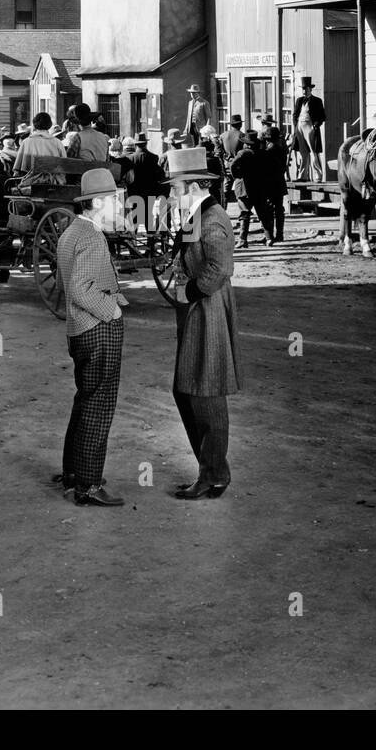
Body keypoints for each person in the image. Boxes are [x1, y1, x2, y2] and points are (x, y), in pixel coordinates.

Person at [164, 148, 240, 500]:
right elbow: (190, 255)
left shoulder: (211, 219)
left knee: (205, 391)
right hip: (196, 310)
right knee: (188, 389)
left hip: (207, 310)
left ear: (193, 186)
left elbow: (219, 268)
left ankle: (213, 475)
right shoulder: (197, 213)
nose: (171, 194)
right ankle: (211, 470)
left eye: (174, 187)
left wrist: (189, 290)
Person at [54, 168, 129, 507]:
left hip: (77, 330)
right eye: (113, 201)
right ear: (97, 203)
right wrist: (111, 309)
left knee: (85, 401)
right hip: (98, 330)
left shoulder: (70, 232)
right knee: (99, 407)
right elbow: (80, 289)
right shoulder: (92, 237)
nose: (118, 206)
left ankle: (73, 473)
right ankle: (89, 486)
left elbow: (64, 283)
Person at [230, 131, 272, 247]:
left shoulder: (242, 153)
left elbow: (233, 165)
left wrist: (237, 175)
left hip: (244, 187)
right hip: (259, 187)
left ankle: (242, 239)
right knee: (262, 213)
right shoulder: (263, 153)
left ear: (247, 144)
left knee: (244, 213)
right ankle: (269, 237)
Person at [122, 132, 163, 232]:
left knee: (135, 216)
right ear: (146, 143)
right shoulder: (154, 157)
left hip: (134, 192)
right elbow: (158, 175)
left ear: (135, 144)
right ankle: (151, 239)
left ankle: (134, 238)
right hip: (150, 192)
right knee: (148, 215)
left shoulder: (130, 158)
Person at [293, 78, 326, 182]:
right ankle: (303, 176)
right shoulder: (299, 100)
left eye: (306, 89)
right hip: (300, 126)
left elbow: (322, 116)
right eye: (303, 89)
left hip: (310, 126)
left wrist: (315, 126)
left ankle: (318, 176)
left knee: (313, 152)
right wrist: (296, 125)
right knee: (303, 153)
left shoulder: (317, 101)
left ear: (310, 89)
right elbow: (295, 114)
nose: (304, 91)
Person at [263, 125, 289, 243]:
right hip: (279, 181)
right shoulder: (281, 148)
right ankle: (279, 234)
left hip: (271, 182)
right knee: (279, 209)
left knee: (270, 209)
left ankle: (270, 235)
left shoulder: (270, 149)